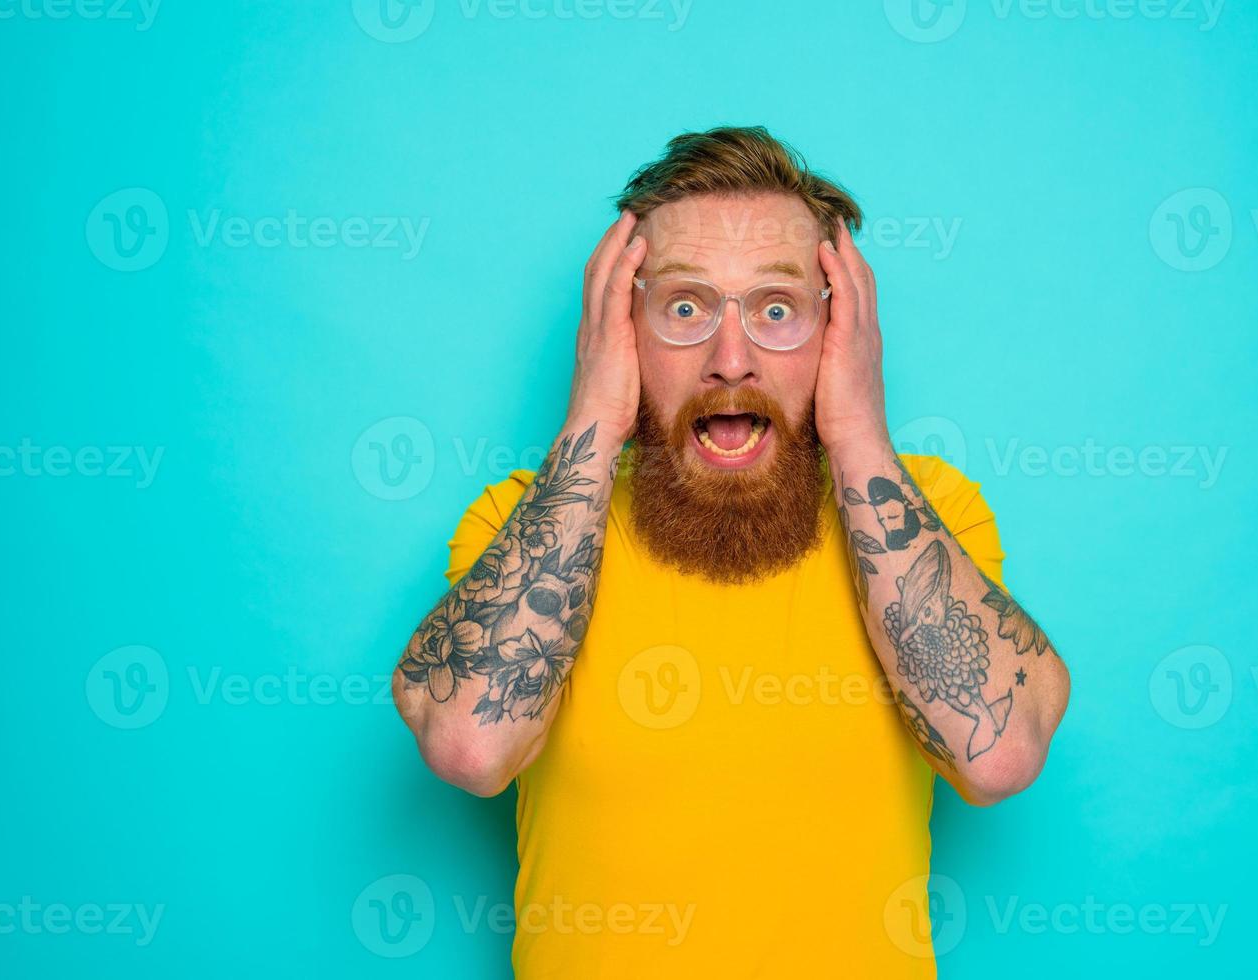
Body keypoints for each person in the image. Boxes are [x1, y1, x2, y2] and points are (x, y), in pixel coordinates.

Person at [392, 125, 1071, 978]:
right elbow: (470, 747)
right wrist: (596, 415)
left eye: (777, 310)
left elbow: (999, 753)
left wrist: (857, 425)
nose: (730, 359)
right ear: (621, 328)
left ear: (839, 331)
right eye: (683, 308)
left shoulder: (928, 514)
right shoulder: (523, 522)